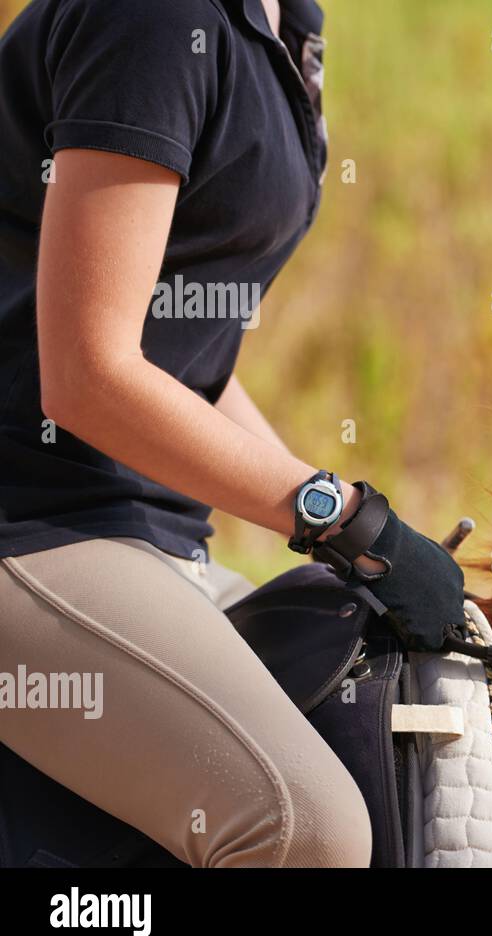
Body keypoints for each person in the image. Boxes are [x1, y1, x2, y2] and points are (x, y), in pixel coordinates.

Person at [0, 0, 463, 867]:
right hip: (31, 519)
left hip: (143, 529)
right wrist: (337, 515)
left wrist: (352, 529)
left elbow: (183, 361)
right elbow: (90, 373)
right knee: (307, 829)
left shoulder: (281, 29)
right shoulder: (151, 17)